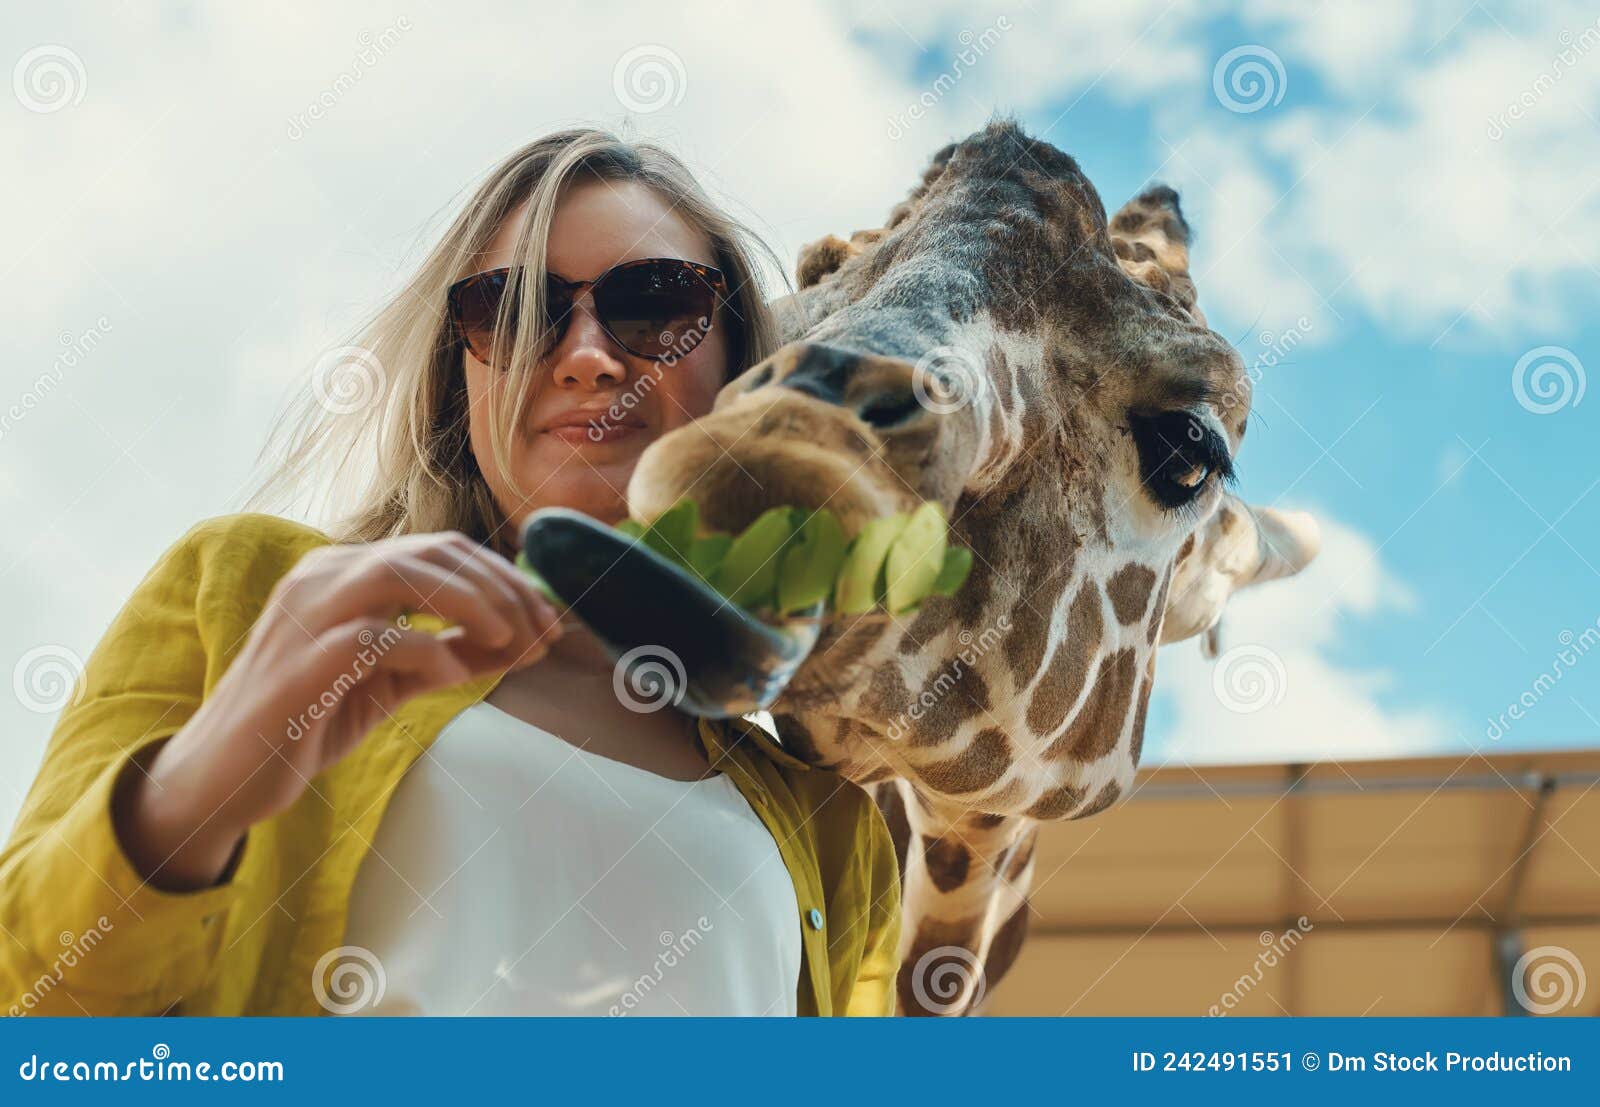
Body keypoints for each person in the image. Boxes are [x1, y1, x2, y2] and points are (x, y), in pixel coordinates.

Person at [0, 129, 901, 1017]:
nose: (588, 356)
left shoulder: (838, 830)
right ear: (456, 377)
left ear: (734, 366)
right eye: (512, 310)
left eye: (659, 303)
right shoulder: (247, 592)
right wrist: (195, 788)